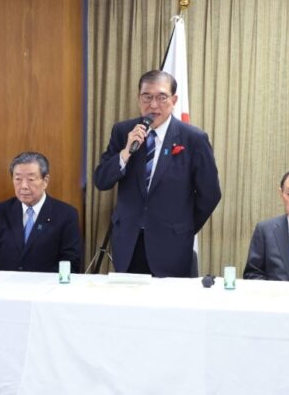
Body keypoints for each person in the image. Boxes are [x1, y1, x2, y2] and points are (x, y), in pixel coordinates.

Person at [93, 70, 221, 277]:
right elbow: (101, 181)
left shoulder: (193, 139)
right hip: (128, 242)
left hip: (172, 245)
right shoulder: (123, 131)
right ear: (138, 98)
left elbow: (210, 194)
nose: (153, 105)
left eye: (161, 97)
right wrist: (125, 153)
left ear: (174, 100)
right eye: (147, 97)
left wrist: (183, 227)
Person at [0, 151, 81, 273]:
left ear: (45, 181)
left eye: (31, 179)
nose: (24, 186)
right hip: (5, 288)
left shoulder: (66, 214)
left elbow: (71, 261)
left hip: (47, 289)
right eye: (18, 179)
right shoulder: (1, 211)